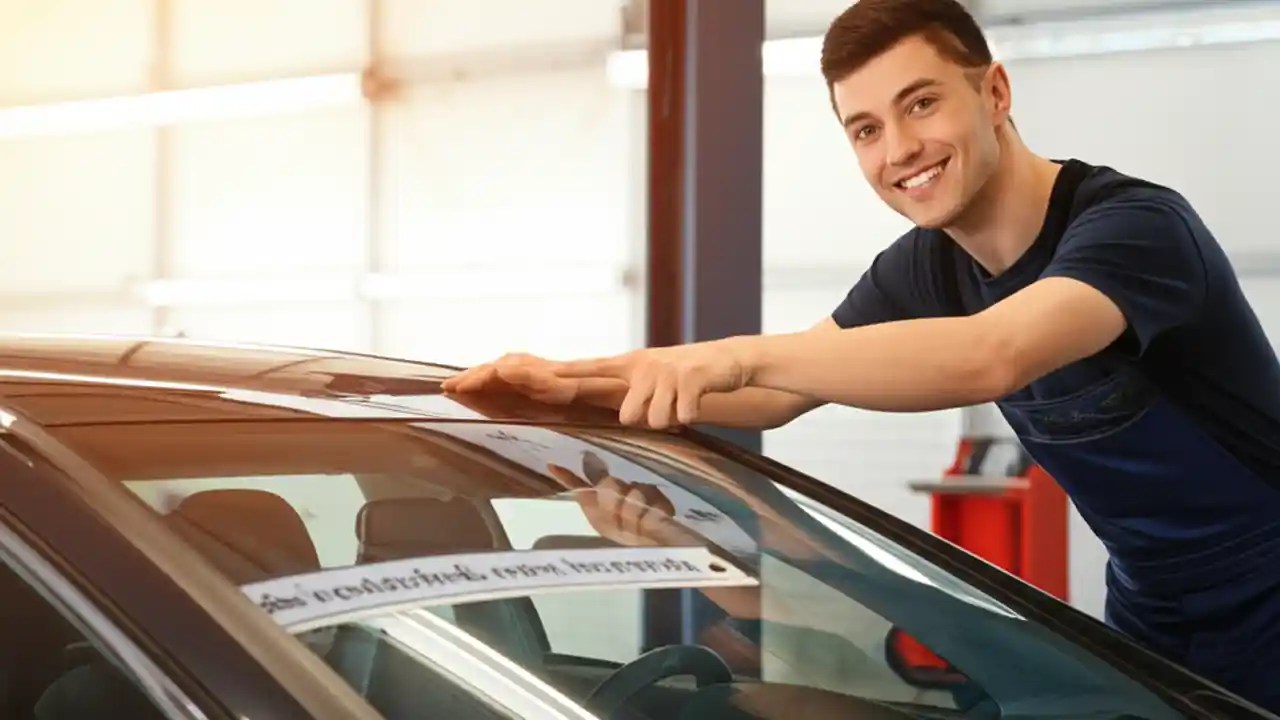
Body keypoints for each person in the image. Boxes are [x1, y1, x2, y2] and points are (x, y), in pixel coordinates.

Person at [443, 0, 1280, 711]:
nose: (899, 151)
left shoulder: (1133, 228)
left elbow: (994, 354)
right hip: (1151, 607)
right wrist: (570, 388)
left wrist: (729, 358)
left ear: (994, 91)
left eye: (921, 105)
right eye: (866, 130)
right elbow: (775, 395)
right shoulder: (928, 264)